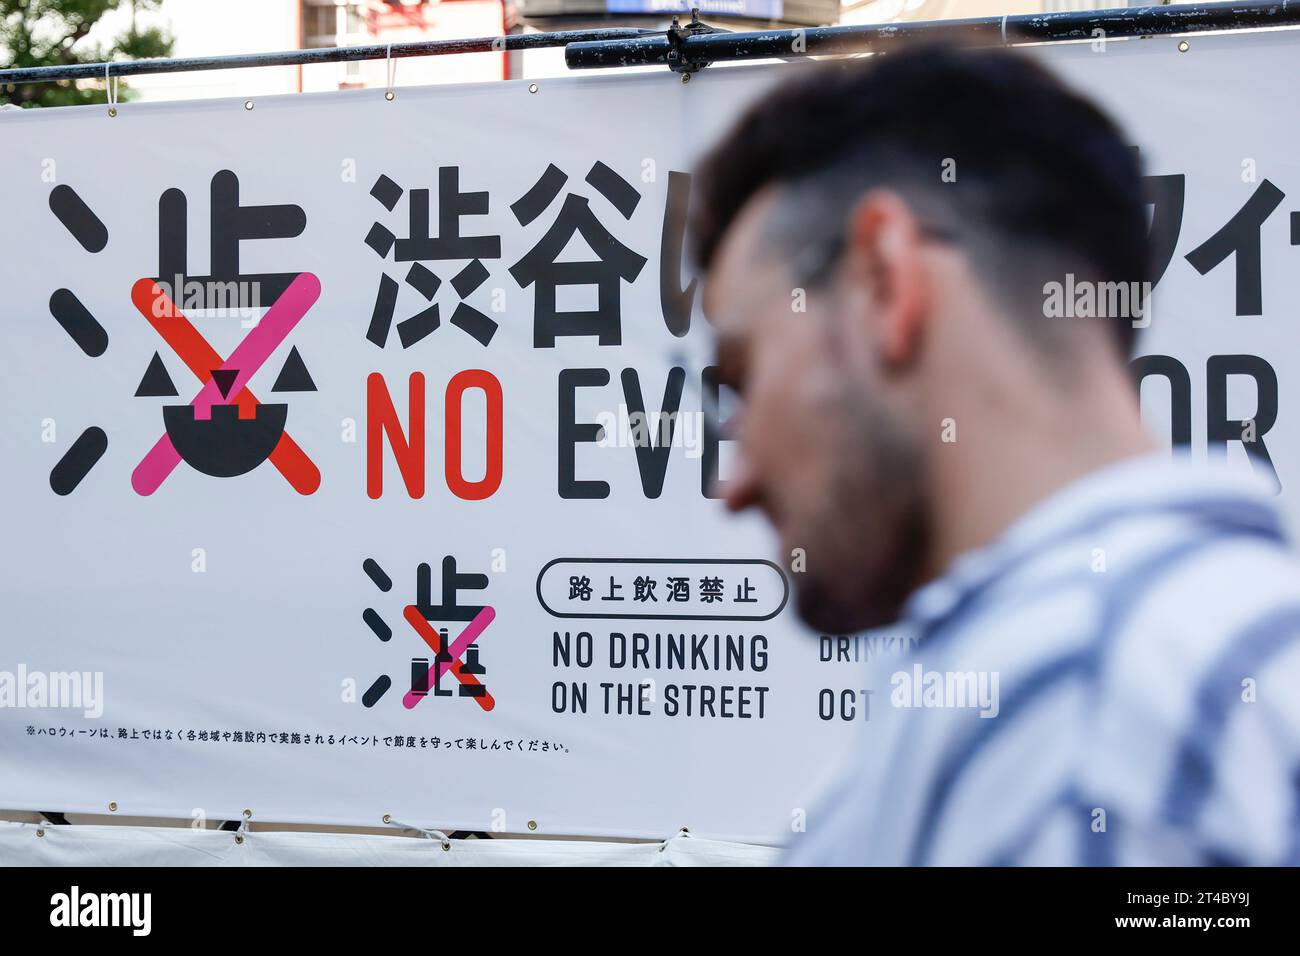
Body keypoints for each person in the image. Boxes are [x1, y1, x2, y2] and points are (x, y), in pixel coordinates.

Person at [689, 43, 1300, 865]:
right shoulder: (1189, 642)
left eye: (741, 375)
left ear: (884, 281)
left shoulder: (1074, 704)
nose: (736, 483)